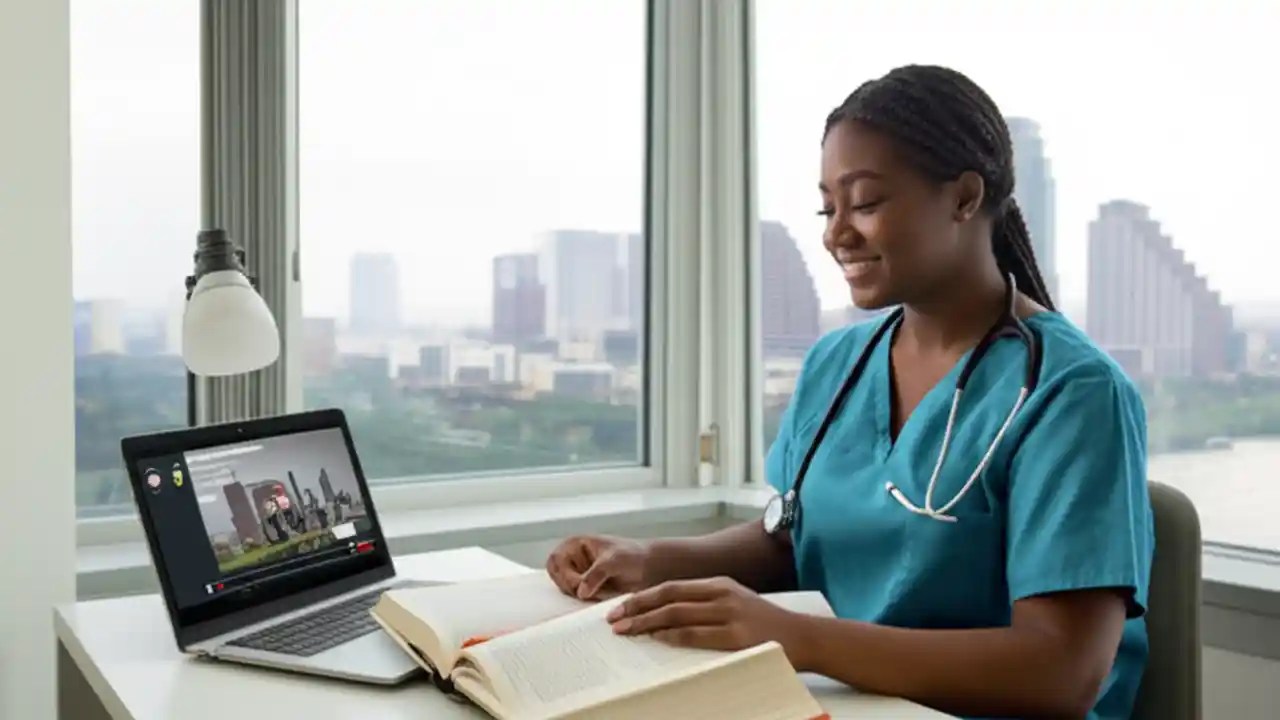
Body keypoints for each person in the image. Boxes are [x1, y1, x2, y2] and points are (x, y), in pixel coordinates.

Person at [546, 65, 1153, 720]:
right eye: (827, 207)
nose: (836, 232)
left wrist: (800, 638)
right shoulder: (840, 362)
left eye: (864, 204)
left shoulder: (1073, 393)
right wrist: (652, 561)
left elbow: (1060, 672)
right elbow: (796, 538)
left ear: (965, 197)